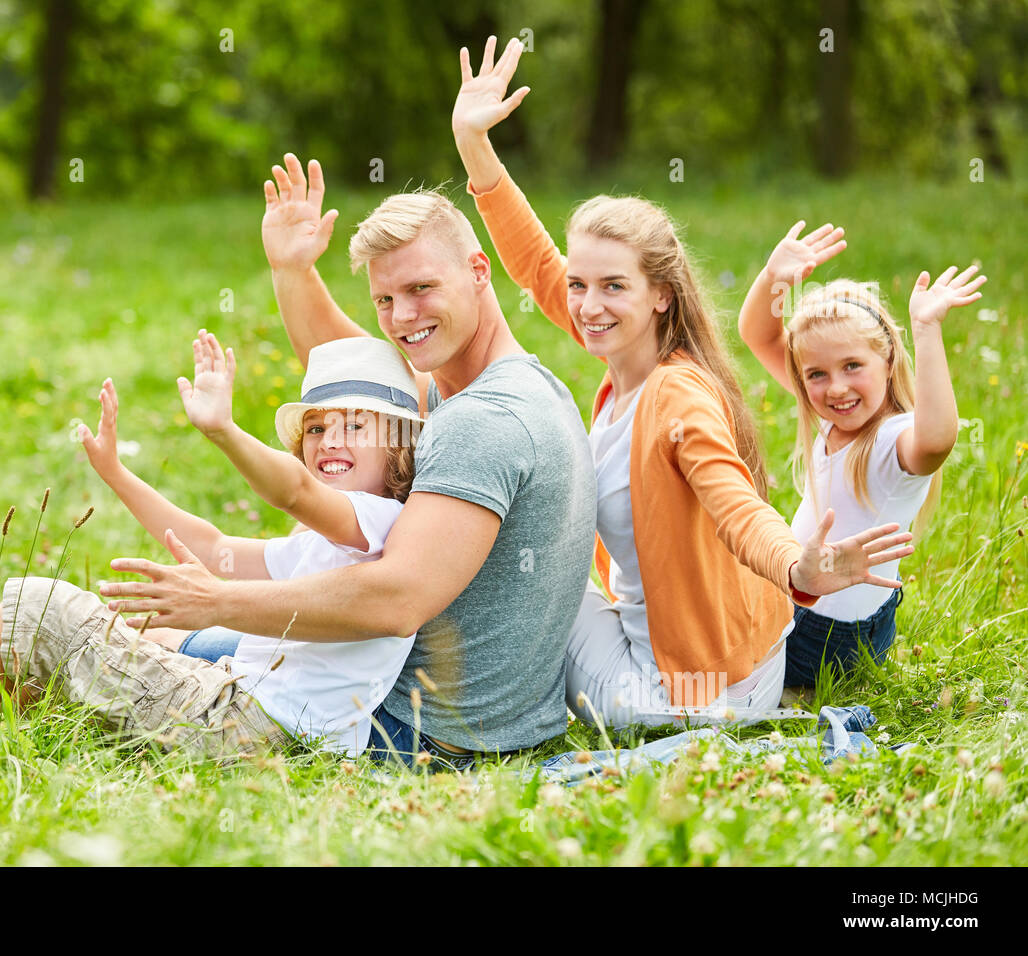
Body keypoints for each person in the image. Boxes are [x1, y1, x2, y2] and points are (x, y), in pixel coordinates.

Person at [448, 36, 917, 726]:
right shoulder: (628, 354)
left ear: (661, 294)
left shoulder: (676, 393)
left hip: (689, 690)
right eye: (582, 286)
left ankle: (457, 710)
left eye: (614, 286)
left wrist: (800, 569)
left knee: (509, 569)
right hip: (727, 663)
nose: (587, 303)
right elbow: (539, 267)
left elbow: (734, 506)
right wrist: (474, 146)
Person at [96, 155, 601, 769]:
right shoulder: (504, 387)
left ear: (477, 271)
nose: (402, 317)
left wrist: (219, 601)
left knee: (110, 635)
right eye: (385, 299)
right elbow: (354, 380)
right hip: (488, 721)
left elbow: (394, 601)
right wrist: (291, 269)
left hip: (420, 732)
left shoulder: (483, 422)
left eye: (421, 289)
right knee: (143, 633)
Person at [0, 331, 422, 758]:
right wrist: (118, 476)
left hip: (249, 730)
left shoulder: (378, 519)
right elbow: (211, 547)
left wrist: (223, 429)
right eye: (318, 429)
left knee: (41, 608)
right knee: (116, 628)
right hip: (246, 714)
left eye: (355, 426)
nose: (329, 442)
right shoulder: (331, 538)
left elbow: (294, 489)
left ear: (398, 448)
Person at [738, 222, 985, 687]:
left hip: (825, 637)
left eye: (853, 365)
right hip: (830, 619)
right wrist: (775, 275)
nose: (836, 387)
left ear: (889, 359)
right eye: (816, 374)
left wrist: (926, 330)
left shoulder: (894, 439)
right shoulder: (836, 415)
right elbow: (758, 336)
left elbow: (936, 440)